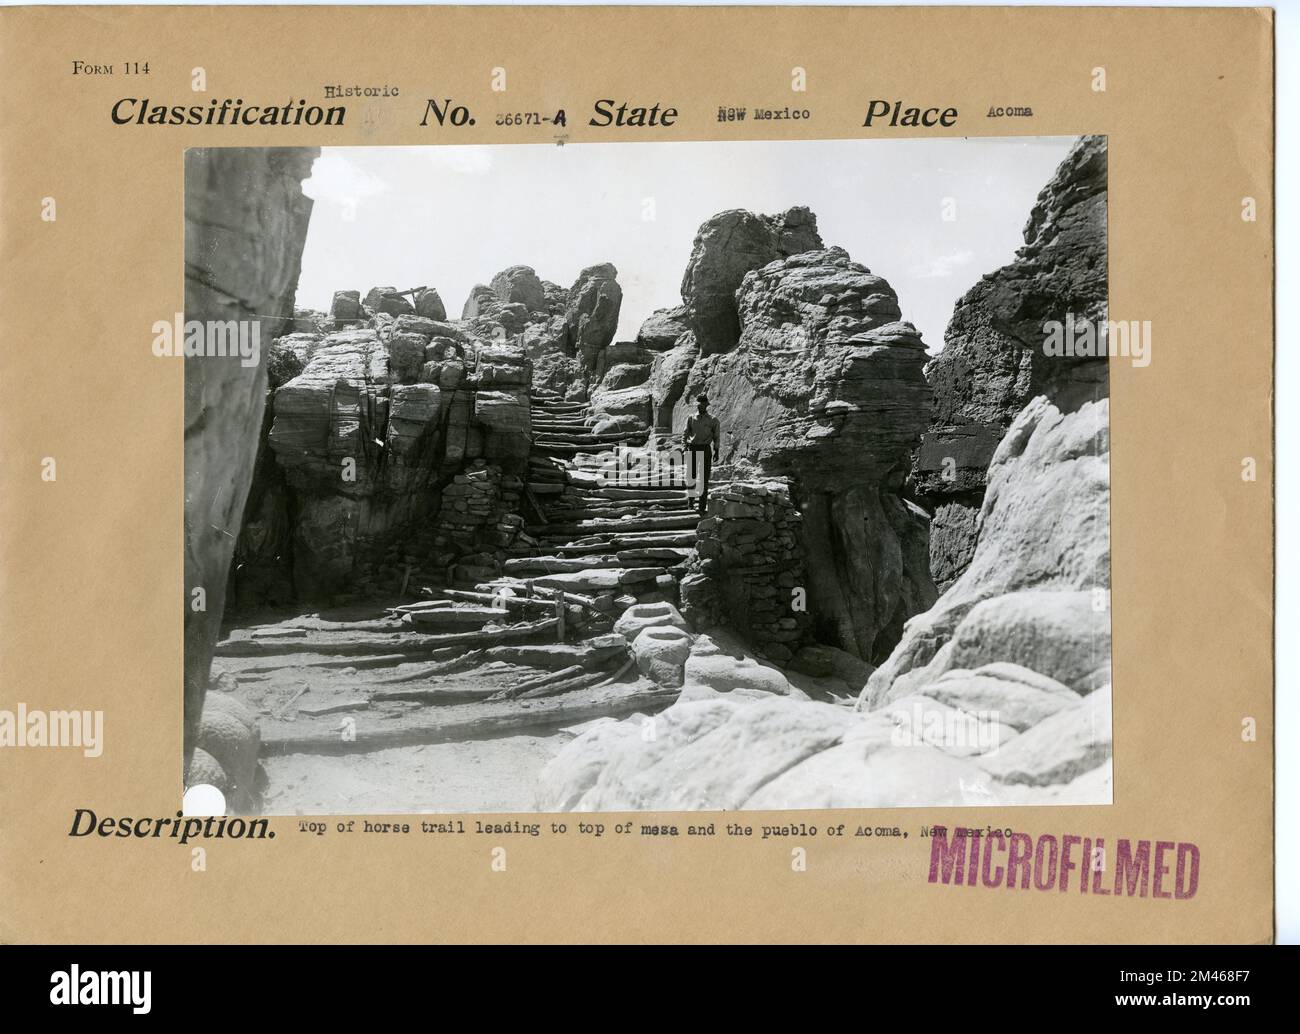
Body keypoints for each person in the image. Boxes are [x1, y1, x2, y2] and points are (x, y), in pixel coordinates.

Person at [684, 394, 721, 515]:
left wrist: (717, 450)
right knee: (691, 477)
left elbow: (716, 436)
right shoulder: (691, 418)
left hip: (705, 449)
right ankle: (690, 503)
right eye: (699, 404)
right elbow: (685, 433)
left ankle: (702, 506)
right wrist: (684, 447)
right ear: (697, 405)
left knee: (704, 478)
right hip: (693, 448)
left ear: (706, 405)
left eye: (703, 404)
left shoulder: (713, 419)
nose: (701, 406)